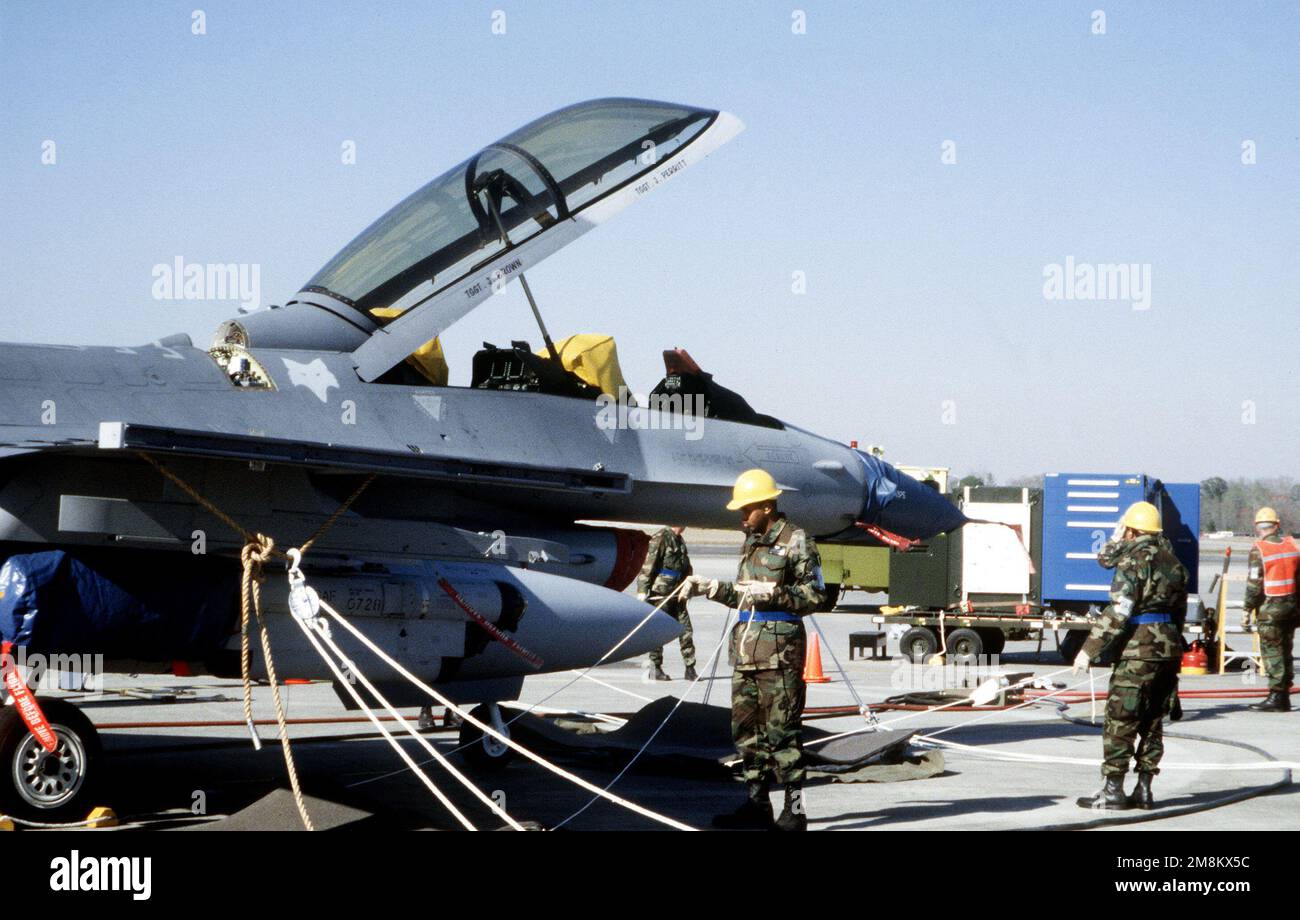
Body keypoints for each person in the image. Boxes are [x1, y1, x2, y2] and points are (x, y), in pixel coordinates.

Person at [685, 468, 824, 831]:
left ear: (767, 505)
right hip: (746, 654)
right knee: (747, 735)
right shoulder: (751, 542)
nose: (742, 517)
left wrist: (775, 593)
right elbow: (745, 594)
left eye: (747, 509)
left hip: (780, 655)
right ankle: (756, 804)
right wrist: (713, 588)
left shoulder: (798, 541)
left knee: (785, 736)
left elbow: (816, 596)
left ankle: (796, 811)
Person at [1072, 501, 1188, 810]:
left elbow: (1119, 612)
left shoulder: (1132, 562)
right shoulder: (1174, 563)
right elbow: (1179, 614)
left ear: (1132, 530)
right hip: (1168, 652)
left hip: (1138, 653)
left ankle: (1113, 791)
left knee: (1120, 721)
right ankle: (1145, 789)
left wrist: (1088, 651)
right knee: (1152, 721)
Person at [1244, 507, 1299, 712]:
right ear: (1277, 525)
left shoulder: (1259, 549)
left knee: (1272, 651)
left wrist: (1247, 608)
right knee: (1286, 650)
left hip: (1271, 609)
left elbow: (1254, 583)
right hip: (1292, 608)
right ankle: (1283, 694)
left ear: (1257, 528)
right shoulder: (1292, 545)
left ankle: (1277, 696)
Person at [636, 525, 697, 682]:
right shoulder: (661, 537)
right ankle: (655, 668)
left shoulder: (679, 541)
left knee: (685, 630)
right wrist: (643, 590)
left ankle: (690, 668)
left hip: (678, 592)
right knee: (658, 630)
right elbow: (649, 565)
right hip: (661, 593)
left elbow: (686, 567)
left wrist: (688, 585)